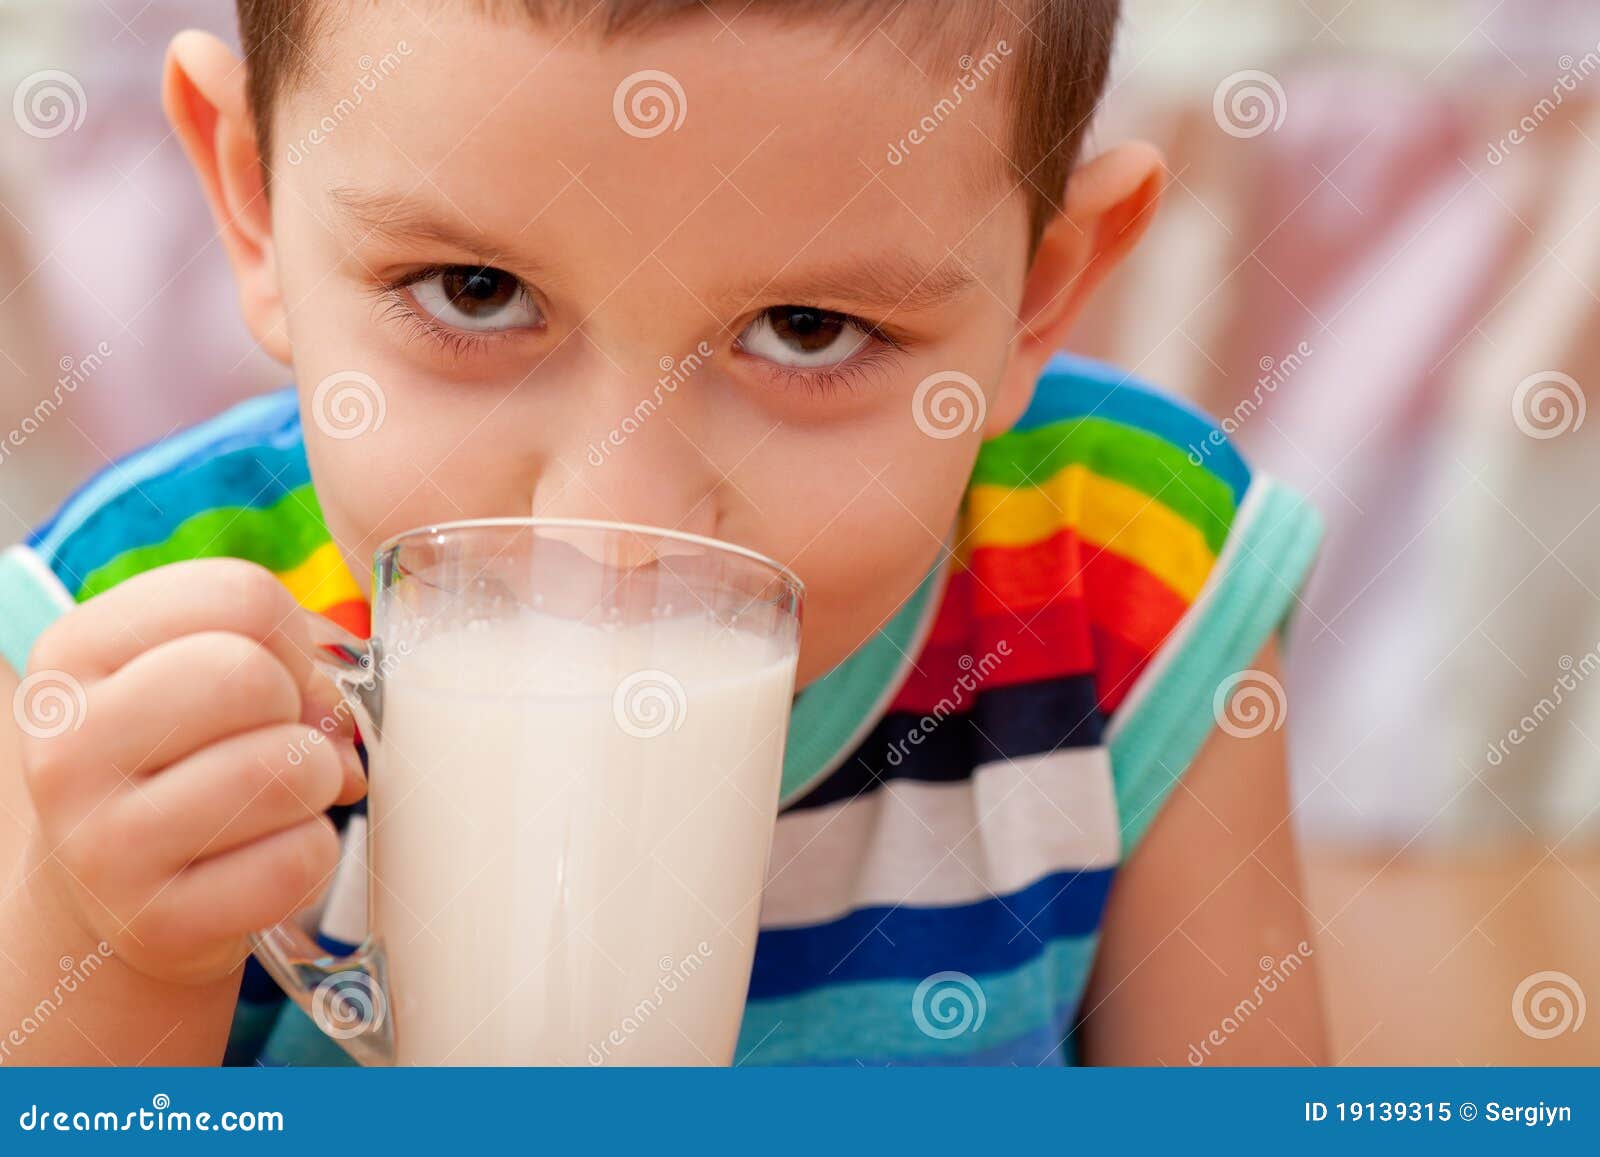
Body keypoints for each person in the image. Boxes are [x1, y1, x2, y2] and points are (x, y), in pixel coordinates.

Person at [0, 0, 1327, 1066]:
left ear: (1039, 298)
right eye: (476, 291)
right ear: (253, 199)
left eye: (808, 329)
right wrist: (113, 942)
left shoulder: (1128, 574)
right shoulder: (137, 628)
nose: (614, 527)